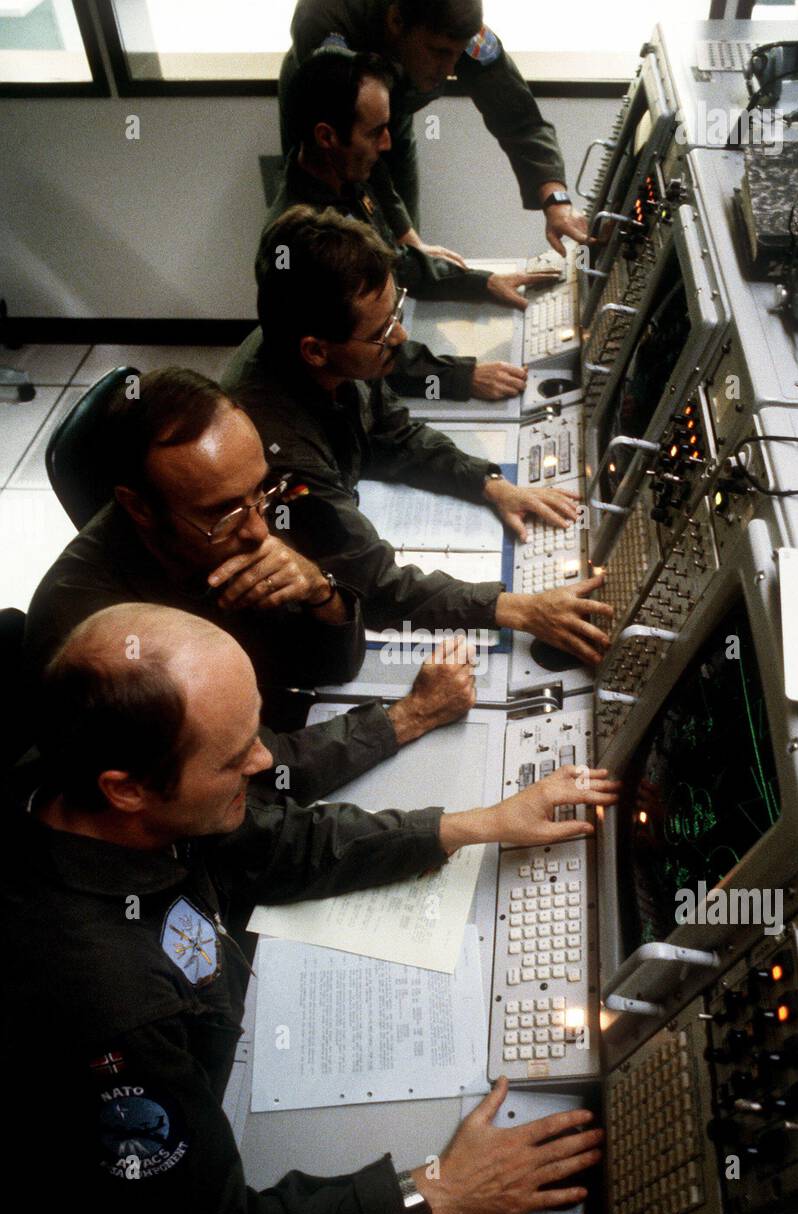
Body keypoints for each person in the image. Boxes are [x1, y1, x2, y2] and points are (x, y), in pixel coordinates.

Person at [1, 603, 617, 1214]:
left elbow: (268, 842)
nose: (264, 760)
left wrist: (476, 826)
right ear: (128, 789)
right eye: (236, 759)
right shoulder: (107, 1006)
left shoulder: (71, 788)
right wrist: (435, 1192)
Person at [24, 368, 477, 805]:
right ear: (138, 508)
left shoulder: (227, 520)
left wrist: (322, 594)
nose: (260, 531)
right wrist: (410, 715)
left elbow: (333, 666)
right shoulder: (102, 638)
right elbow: (250, 779)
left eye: (260, 491)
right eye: (225, 511)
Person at [224, 207, 612, 667]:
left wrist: (488, 484)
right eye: (383, 330)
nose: (402, 335)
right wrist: (519, 609)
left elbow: (395, 435)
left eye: (397, 312)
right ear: (315, 351)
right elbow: (372, 584)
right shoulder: (277, 447)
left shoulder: (343, 357)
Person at [269, 46, 561, 403]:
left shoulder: (346, 174)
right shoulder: (304, 241)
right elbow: (355, 354)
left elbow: (395, 262)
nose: (387, 143)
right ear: (327, 136)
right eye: (375, 132)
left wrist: (482, 283)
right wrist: (460, 377)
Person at [279, 0, 589, 256]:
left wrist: (555, 201)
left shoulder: (454, 29)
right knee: (330, 242)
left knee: (405, 253)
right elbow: (360, 173)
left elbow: (517, 115)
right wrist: (403, 235)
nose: (451, 70)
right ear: (396, 20)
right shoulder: (325, 19)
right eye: (440, 52)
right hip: (334, 126)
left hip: (393, 118)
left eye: (458, 53)